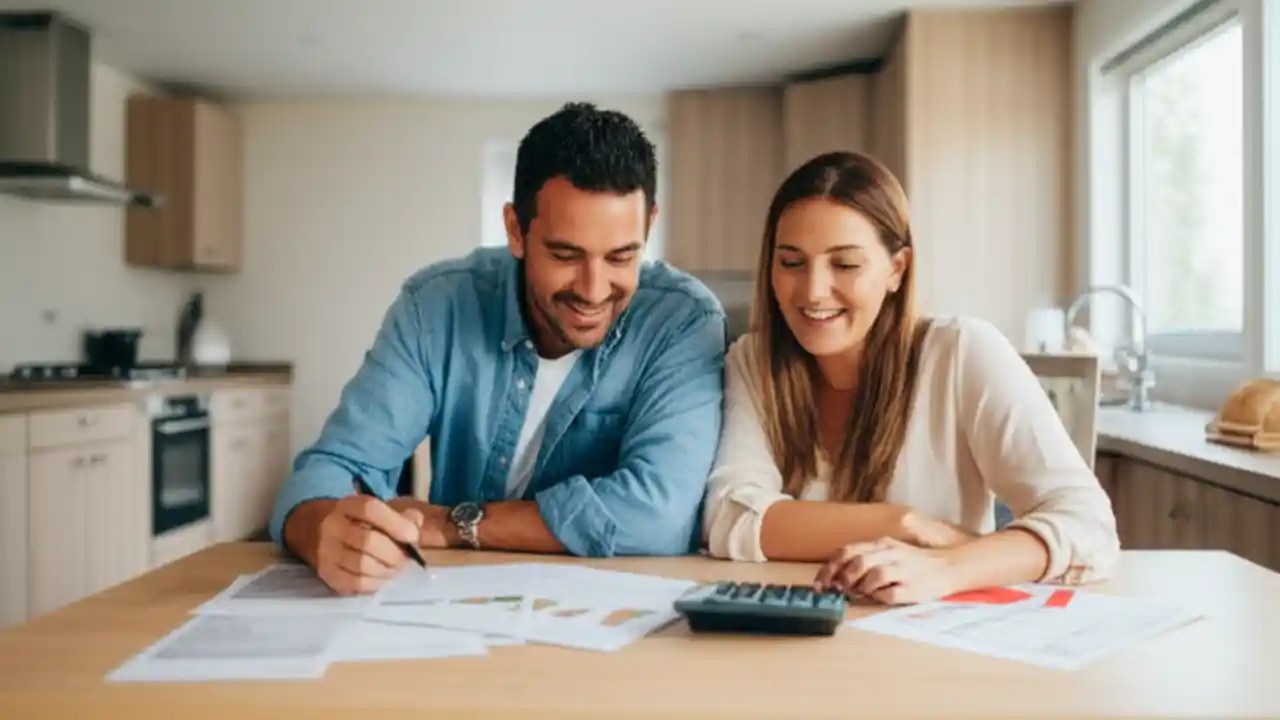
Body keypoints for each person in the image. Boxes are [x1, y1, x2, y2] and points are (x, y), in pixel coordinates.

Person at [272, 103, 726, 594]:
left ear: (648, 227)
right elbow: (329, 470)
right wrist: (324, 532)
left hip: (613, 626)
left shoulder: (683, 322)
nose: (594, 290)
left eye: (621, 256)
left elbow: (660, 517)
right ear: (515, 229)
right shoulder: (438, 305)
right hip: (449, 612)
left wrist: (451, 523)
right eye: (564, 255)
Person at [703, 151, 1119, 604]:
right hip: (798, 636)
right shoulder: (753, 360)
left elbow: (1088, 524)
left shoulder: (962, 351)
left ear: (896, 270)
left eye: (844, 265)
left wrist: (947, 568)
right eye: (791, 263)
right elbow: (729, 517)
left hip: (934, 637)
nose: (813, 291)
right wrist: (905, 525)